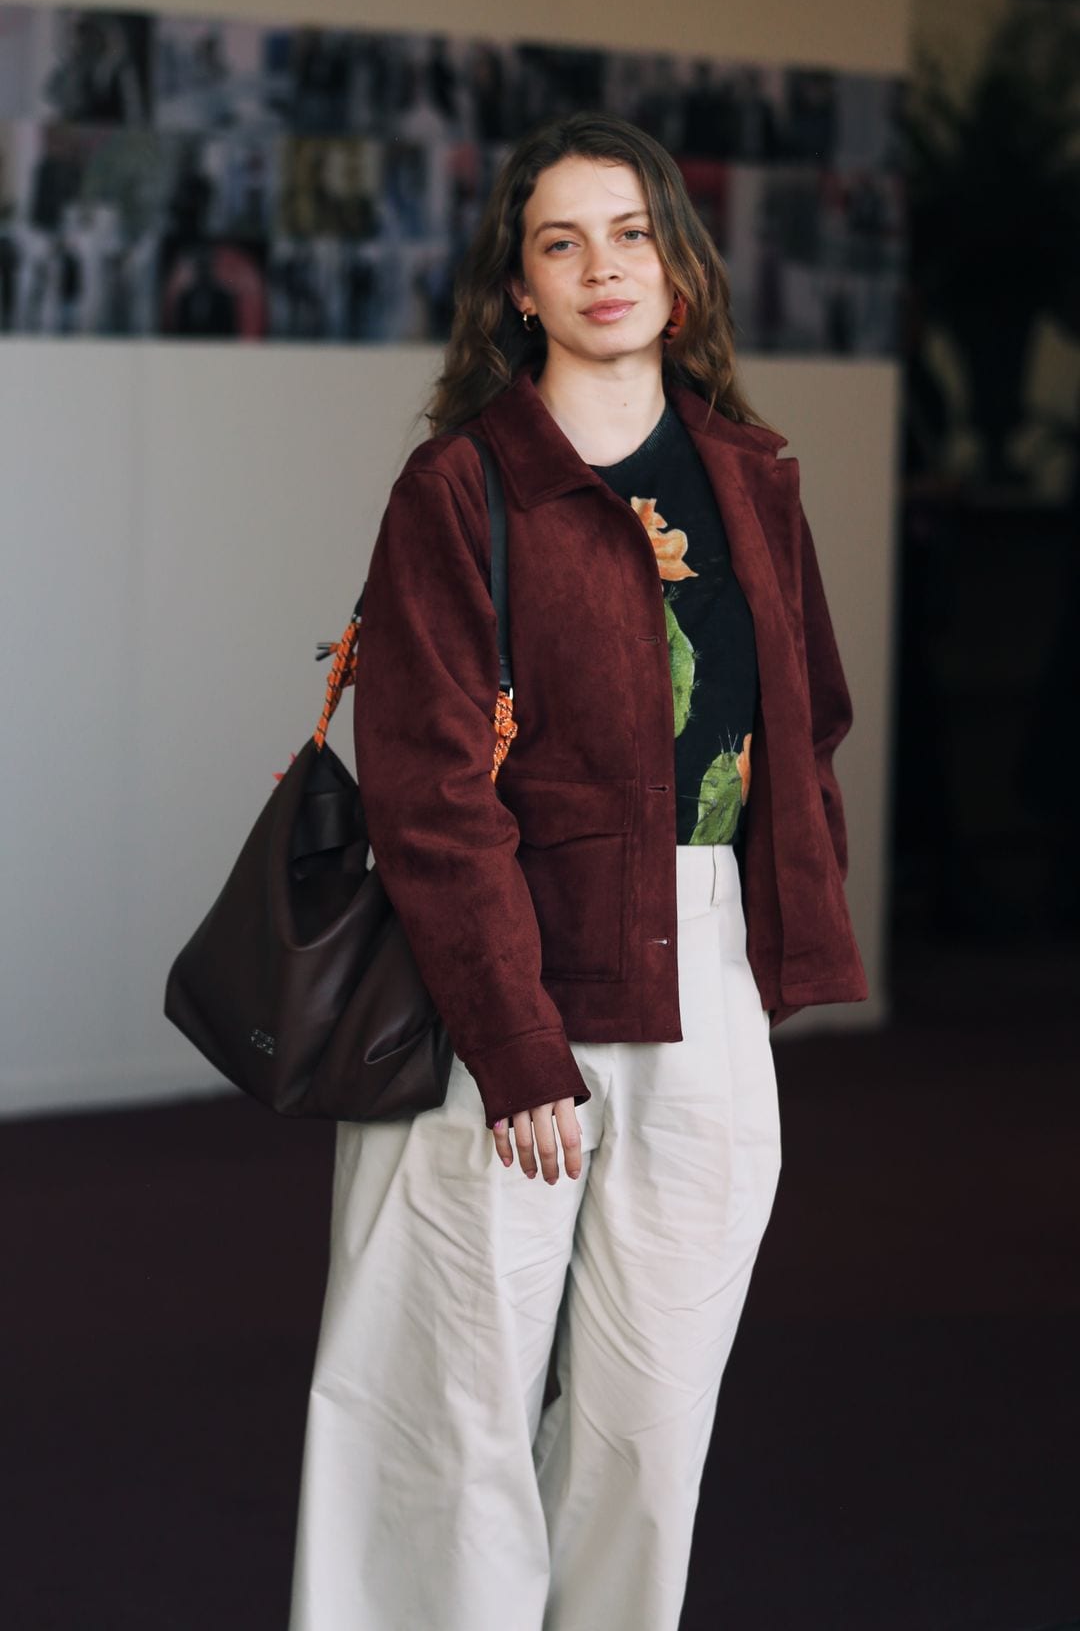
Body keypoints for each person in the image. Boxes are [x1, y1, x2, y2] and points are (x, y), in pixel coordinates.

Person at [287, 109, 867, 1631]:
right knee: (442, 1417)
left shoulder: (755, 479)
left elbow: (811, 718)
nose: (602, 267)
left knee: (648, 1428)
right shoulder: (461, 490)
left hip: (707, 979)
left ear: (680, 273)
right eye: (562, 242)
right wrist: (520, 1043)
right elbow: (427, 795)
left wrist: (782, 930)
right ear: (517, 291)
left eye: (631, 234)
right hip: (499, 984)